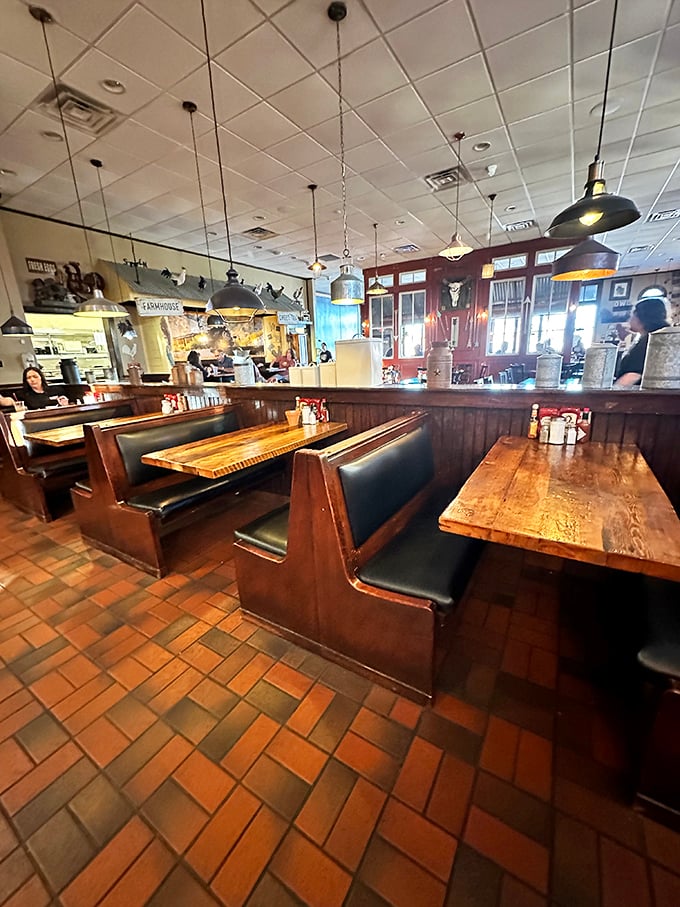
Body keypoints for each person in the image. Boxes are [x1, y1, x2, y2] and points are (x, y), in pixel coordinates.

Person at [614, 298, 670, 387]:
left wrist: (610, 396)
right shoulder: (652, 339)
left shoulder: (648, 342)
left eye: (632, 315)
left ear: (641, 317)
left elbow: (634, 374)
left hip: (636, 397)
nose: (629, 320)